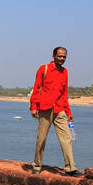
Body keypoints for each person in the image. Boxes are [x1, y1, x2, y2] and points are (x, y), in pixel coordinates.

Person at [30, 46, 77, 175]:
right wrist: (34, 107)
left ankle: (70, 168)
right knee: (41, 139)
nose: (62, 59)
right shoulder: (43, 69)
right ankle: (37, 165)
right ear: (53, 56)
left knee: (66, 138)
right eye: (60, 56)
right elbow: (36, 88)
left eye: (64, 57)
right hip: (45, 108)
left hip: (60, 108)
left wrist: (69, 112)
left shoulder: (65, 72)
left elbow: (64, 93)